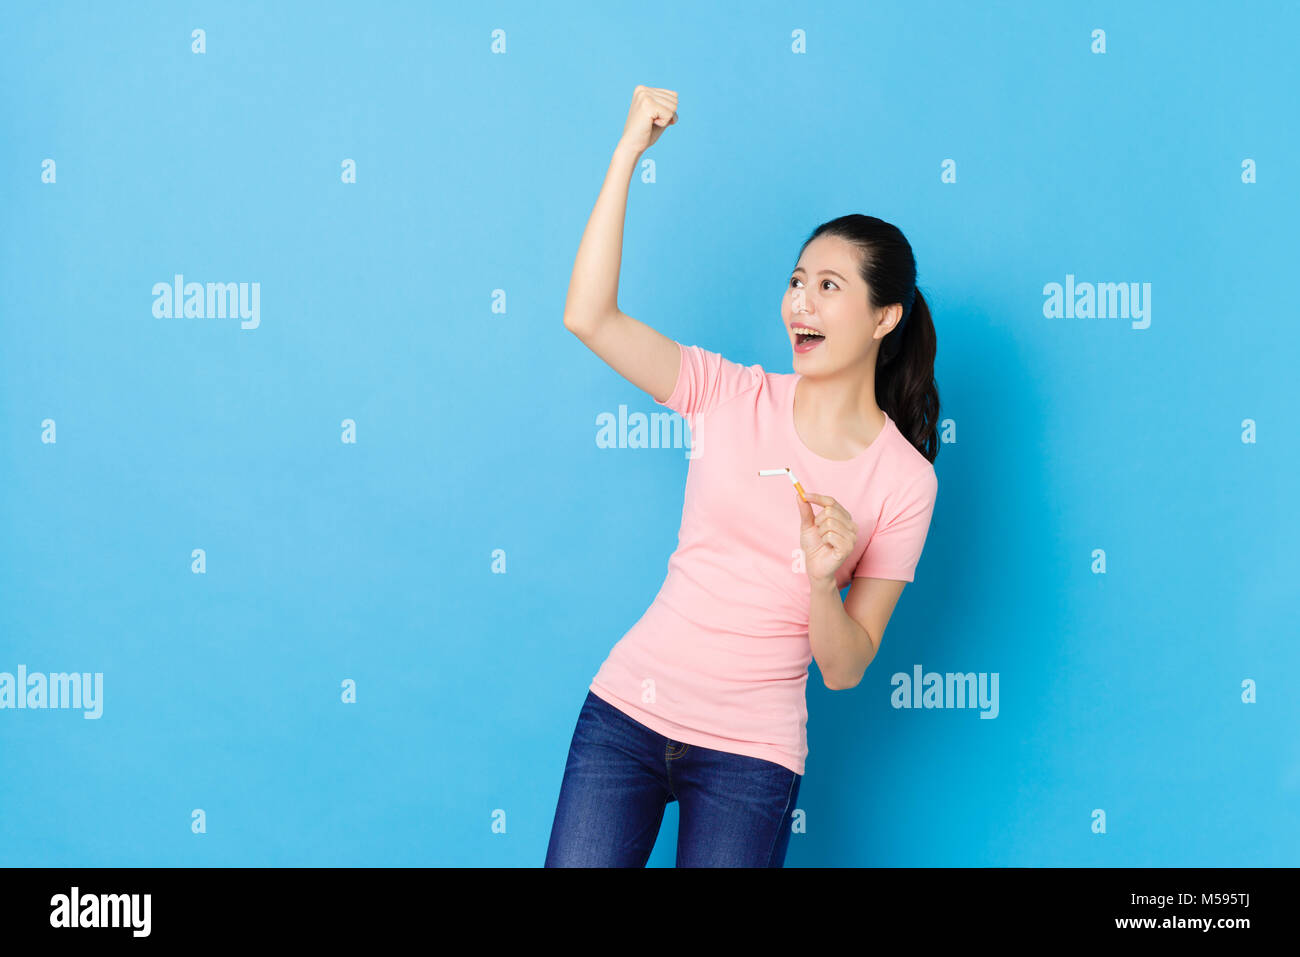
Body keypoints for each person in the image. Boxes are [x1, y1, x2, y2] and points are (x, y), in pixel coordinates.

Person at [547, 85, 940, 867]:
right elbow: (588, 316)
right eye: (798, 280)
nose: (802, 301)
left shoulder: (904, 480)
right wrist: (627, 153)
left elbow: (845, 667)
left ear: (884, 317)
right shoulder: (729, 392)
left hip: (749, 757)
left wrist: (824, 580)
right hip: (627, 712)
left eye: (830, 286)